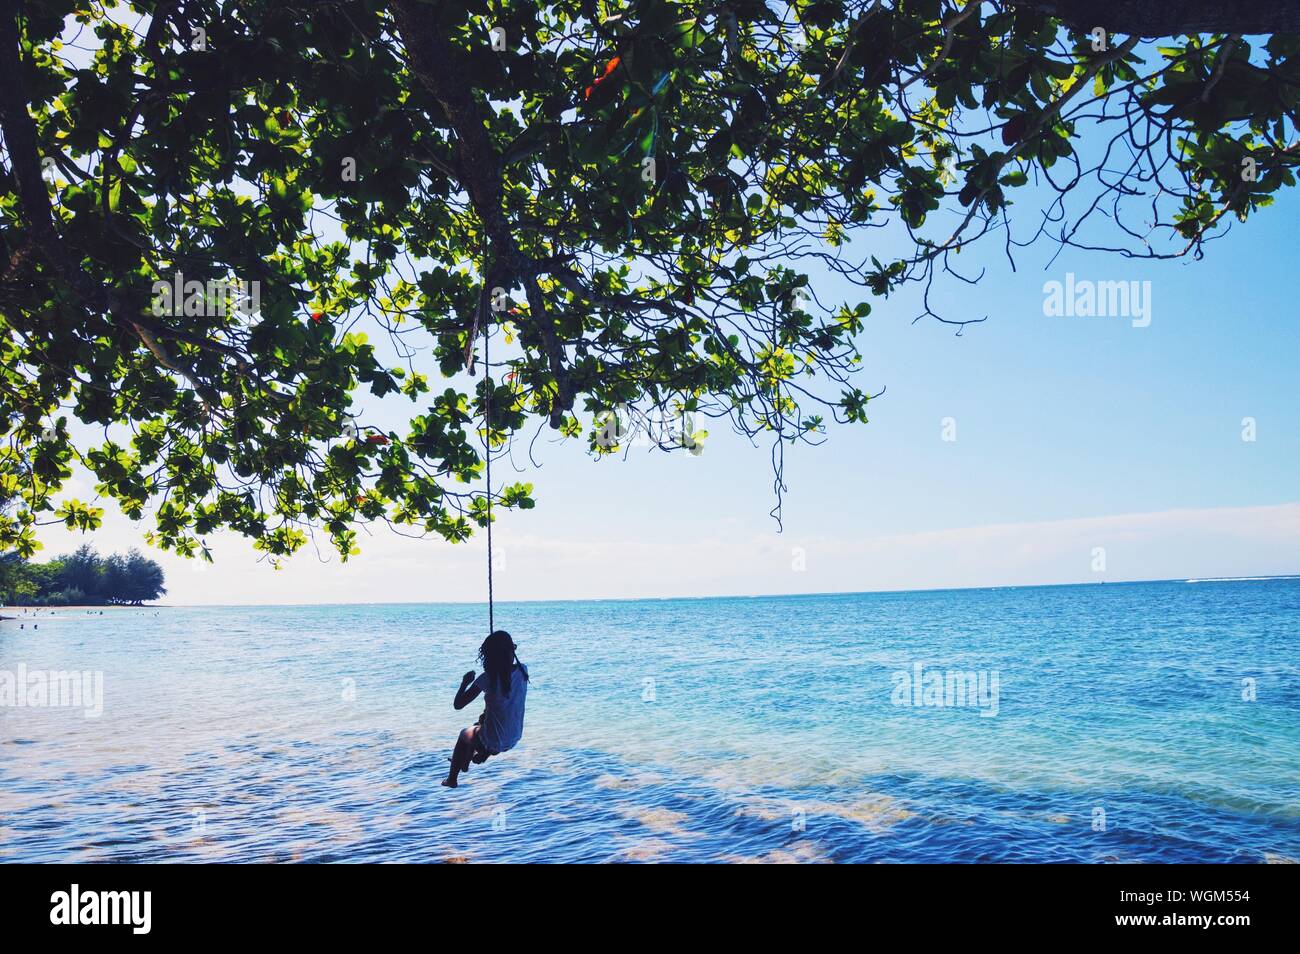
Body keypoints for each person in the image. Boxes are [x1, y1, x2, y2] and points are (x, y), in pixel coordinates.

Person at [442, 630, 529, 788]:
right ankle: (470, 760)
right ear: (512, 650)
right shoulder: (523, 670)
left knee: (464, 734)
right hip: (514, 737)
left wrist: (465, 682)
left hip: (494, 740)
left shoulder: (487, 678)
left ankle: (452, 779)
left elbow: (458, 705)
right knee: (480, 723)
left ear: (488, 656)